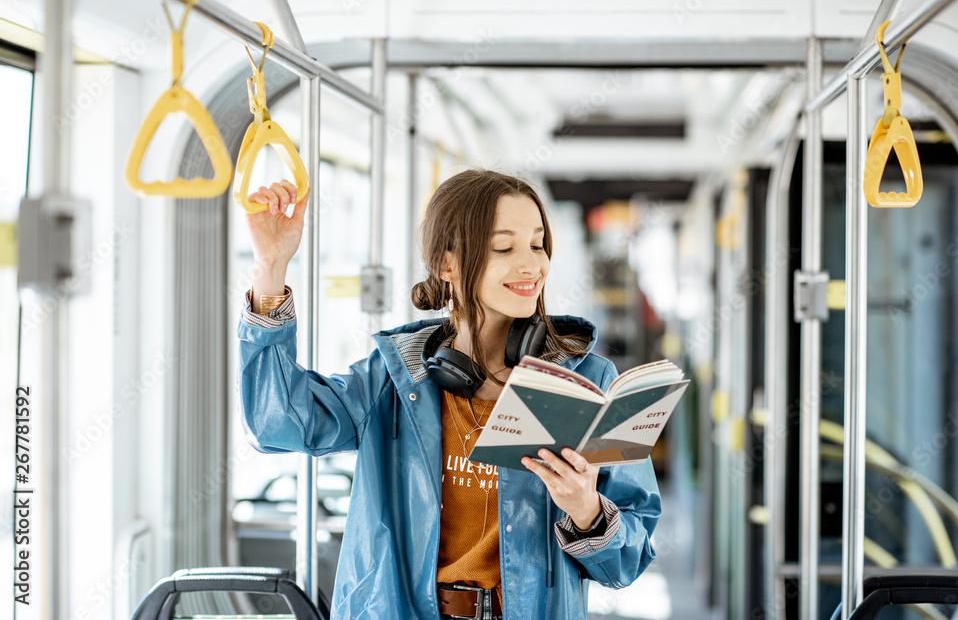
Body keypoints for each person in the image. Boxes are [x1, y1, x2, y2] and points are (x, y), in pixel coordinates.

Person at [238, 169, 661, 619]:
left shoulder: (587, 382)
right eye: (504, 247)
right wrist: (270, 269)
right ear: (447, 265)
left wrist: (587, 510)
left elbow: (628, 562)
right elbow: (275, 422)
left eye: (538, 244)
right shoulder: (393, 378)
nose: (531, 264)